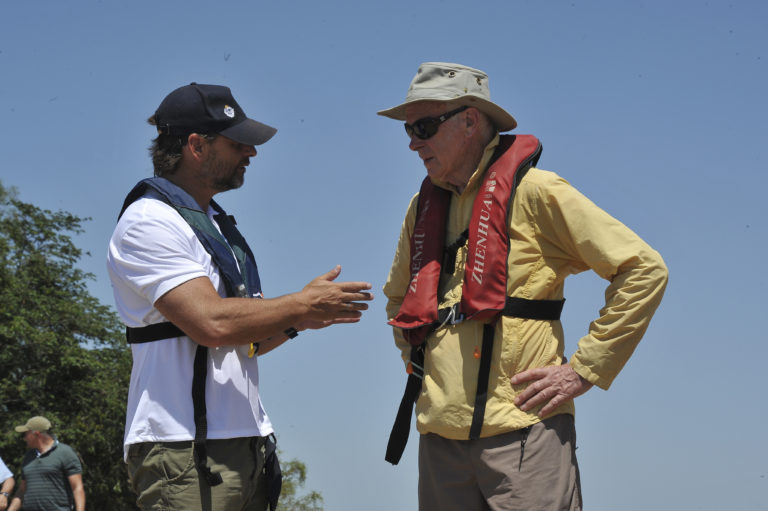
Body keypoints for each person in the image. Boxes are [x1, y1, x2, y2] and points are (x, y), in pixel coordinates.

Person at [379, 62, 668, 510]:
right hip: (439, 443)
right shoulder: (423, 206)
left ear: (470, 121)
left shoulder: (537, 193)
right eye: (408, 130)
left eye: (425, 125)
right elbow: (400, 300)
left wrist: (583, 370)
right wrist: (424, 369)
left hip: (525, 437)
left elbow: (644, 269)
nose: (414, 141)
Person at [107, 82, 373, 511]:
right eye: (238, 143)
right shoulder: (148, 222)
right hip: (184, 447)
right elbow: (212, 324)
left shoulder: (212, 224)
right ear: (196, 145)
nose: (251, 153)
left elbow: (247, 341)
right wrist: (301, 304)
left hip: (242, 444)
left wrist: (297, 319)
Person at [7, 416, 84, 511]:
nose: (24, 438)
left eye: (26, 434)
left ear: (36, 433)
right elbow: (22, 490)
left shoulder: (65, 453)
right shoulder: (28, 457)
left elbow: (77, 488)